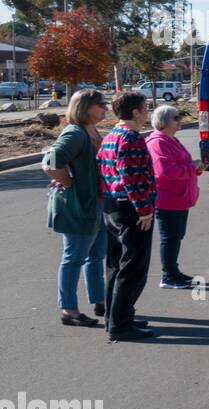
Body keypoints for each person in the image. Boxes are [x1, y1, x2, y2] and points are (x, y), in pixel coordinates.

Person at [44, 88, 110, 327]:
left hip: (96, 203)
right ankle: (69, 310)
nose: (105, 107)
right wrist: (68, 181)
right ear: (85, 107)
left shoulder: (92, 130)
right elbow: (49, 162)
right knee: (73, 258)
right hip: (79, 205)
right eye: (101, 104)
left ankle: (100, 301)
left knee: (96, 256)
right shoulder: (75, 133)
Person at [97, 91, 157, 341]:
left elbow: (103, 168)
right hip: (131, 208)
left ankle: (116, 317)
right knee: (132, 267)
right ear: (135, 112)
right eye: (145, 108)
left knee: (115, 265)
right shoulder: (131, 138)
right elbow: (132, 177)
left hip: (112, 205)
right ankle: (120, 324)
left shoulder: (111, 136)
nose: (147, 113)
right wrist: (144, 210)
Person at [146, 104, 203, 288]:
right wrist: (192, 168)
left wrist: (194, 167)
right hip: (167, 199)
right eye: (175, 118)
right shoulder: (158, 142)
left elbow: (180, 164)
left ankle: (173, 271)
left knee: (176, 236)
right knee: (170, 238)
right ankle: (168, 275)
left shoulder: (170, 140)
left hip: (178, 198)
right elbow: (164, 171)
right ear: (164, 122)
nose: (179, 121)